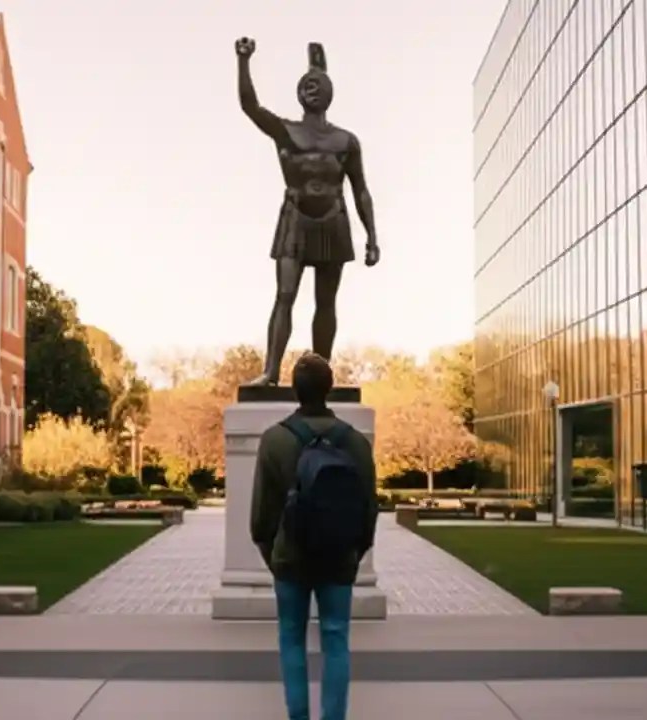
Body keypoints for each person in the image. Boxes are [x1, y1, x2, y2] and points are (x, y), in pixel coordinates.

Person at [233, 37, 381, 386]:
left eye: (318, 84)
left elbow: (361, 189)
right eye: (306, 85)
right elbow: (249, 105)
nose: (312, 90)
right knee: (285, 295)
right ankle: (271, 371)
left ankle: (321, 374)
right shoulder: (286, 131)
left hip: (333, 218)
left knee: (326, 302)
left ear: (330, 92)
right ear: (299, 93)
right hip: (296, 217)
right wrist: (243, 61)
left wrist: (373, 236)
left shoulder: (346, 141)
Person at [250, 353, 379, 720]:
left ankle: (299, 716)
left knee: (291, 639)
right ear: (330, 388)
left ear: (295, 389)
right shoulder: (355, 443)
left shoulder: (274, 439)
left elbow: (261, 514)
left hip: (290, 558)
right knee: (336, 639)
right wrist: (356, 551)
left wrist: (273, 554)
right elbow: (370, 507)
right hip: (339, 557)